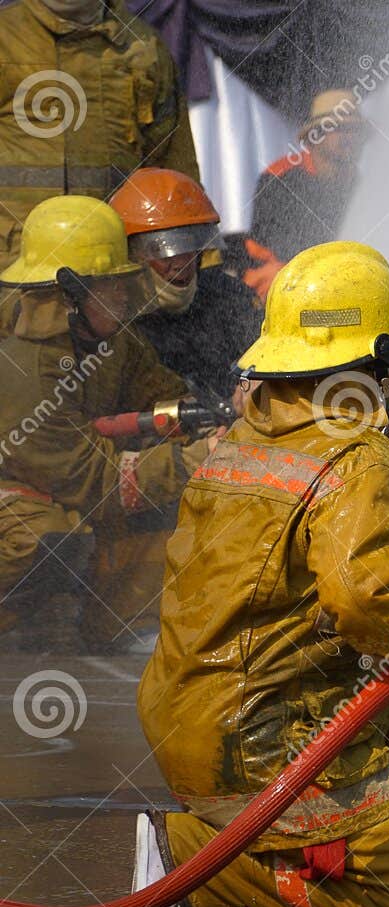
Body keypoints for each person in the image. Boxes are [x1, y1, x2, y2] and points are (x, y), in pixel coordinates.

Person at [134, 240, 389, 907]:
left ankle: (355, 839)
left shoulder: (253, 434)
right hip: (260, 741)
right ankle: (190, 871)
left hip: (193, 718)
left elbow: (314, 561)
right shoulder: (358, 456)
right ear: (375, 364)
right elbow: (370, 604)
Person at [0, 195, 210, 651]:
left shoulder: (110, 341)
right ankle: (19, 627)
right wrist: (196, 460)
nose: (125, 295)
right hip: (38, 510)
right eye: (113, 285)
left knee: (177, 522)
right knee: (47, 534)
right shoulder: (30, 371)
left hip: (68, 499)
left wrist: (212, 417)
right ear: (71, 294)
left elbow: (164, 393)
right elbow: (101, 487)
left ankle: (103, 629)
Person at [0, 0, 199, 267]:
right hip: (13, 273)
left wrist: (193, 265)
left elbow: (173, 176)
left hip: (112, 275)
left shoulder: (143, 48)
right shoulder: (5, 37)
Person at [110, 168, 260, 408]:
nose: (181, 263)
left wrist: (253, 383)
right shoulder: (117, 323)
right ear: (132, 255)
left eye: (189, 245)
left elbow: (266, 354)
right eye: (162, 251)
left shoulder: (228, 295)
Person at [243, 89, 370, 301]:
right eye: (339, 128)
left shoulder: (362, 185)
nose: (348, 138)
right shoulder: (279, 180)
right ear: (316, 135)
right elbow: (279, 250)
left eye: (353, 130)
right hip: (284, 282)